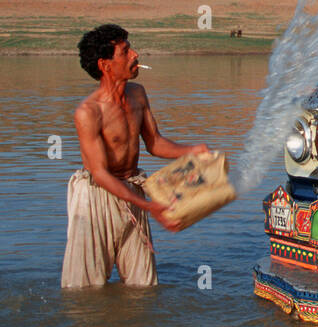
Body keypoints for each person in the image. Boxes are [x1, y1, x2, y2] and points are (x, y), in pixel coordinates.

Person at [62, 24, 209, 289]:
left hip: (132, 189)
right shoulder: (88, 112)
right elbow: (100, 173)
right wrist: (149, 206)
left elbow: (154, 143)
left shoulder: (137, 94)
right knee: (84, 290)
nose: (135, 55)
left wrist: (192, 151)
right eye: (126, 51)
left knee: (144, 287)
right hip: (97, 197)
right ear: (105, 65)